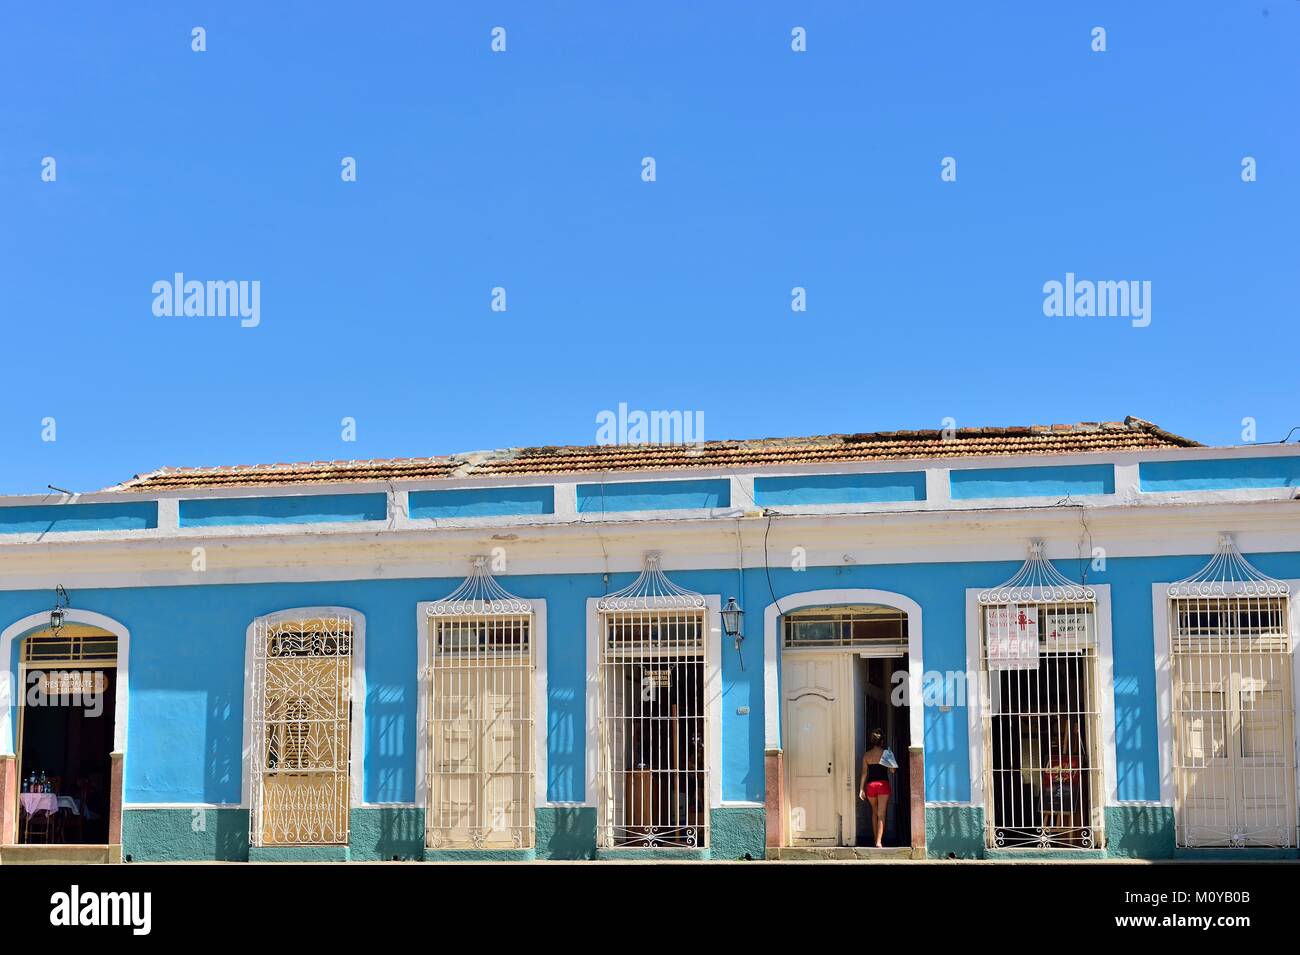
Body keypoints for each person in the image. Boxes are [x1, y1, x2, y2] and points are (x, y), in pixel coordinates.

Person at [858, 728, 895, 848]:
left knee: (874, 812)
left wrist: (861, 789)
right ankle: (879, 842)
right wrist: (890, 758)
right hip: (883, 785)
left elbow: (864, 773)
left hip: (870, 786)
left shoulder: (867, 755)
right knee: (881, 814)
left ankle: (875, 839)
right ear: (882, 742)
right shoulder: (886, 753)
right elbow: (893, 770)